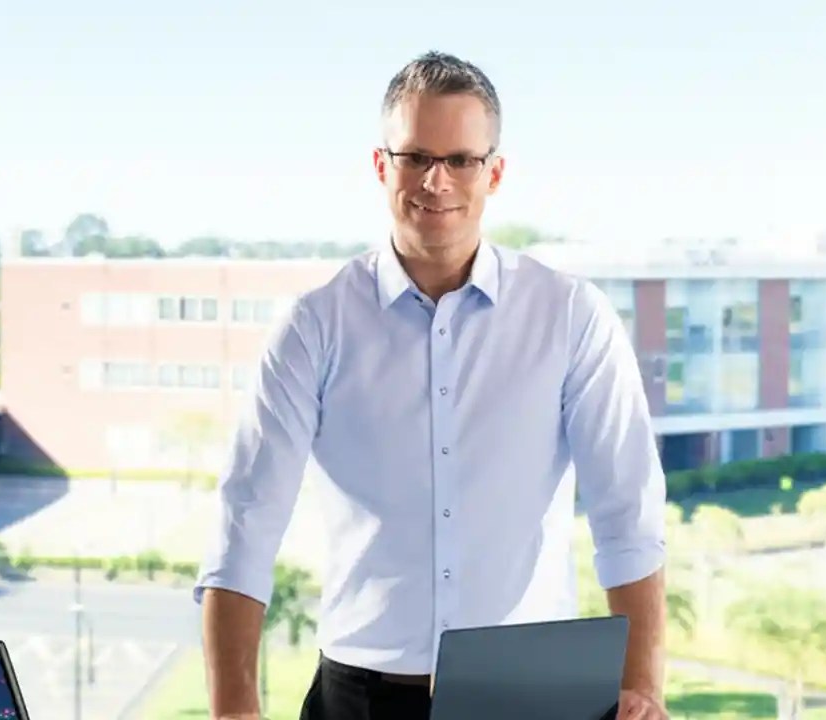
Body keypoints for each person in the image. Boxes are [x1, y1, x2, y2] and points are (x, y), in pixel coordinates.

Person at [194, 50, 668, 720]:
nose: (435, 181)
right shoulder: (314, 326)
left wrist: (643, 689)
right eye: (415, 156)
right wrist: (234, 706)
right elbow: (247, 527)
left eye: (460, 160)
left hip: (533, 697)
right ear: (381, 166)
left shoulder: (568, 315)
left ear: (494, 172)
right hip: (357, 698)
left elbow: (629, 515)